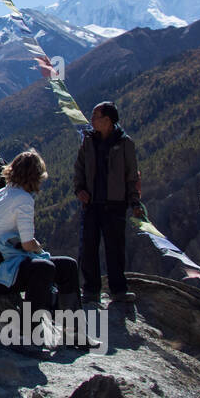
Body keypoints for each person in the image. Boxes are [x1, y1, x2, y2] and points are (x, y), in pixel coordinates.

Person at [0, 149, 83, 348]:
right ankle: (33, 334)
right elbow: (27, 244)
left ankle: (70, 332)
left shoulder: (0, 194)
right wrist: (40, 249)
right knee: (47, 268)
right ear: (35, 177)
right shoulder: (24, 199)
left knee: (64, 266)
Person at [73, 101, 142, 306]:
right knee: (89, 247)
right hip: (92, 203)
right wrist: (79, 189)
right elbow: (79, 168)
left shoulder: (124, 144)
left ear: (107, 120)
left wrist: (135, 201)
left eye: (95, 116)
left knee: (115, 248)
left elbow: (132, 175)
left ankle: (118, 289)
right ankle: (91, 290)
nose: (92, 120)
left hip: (115, 204)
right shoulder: (89, 142)